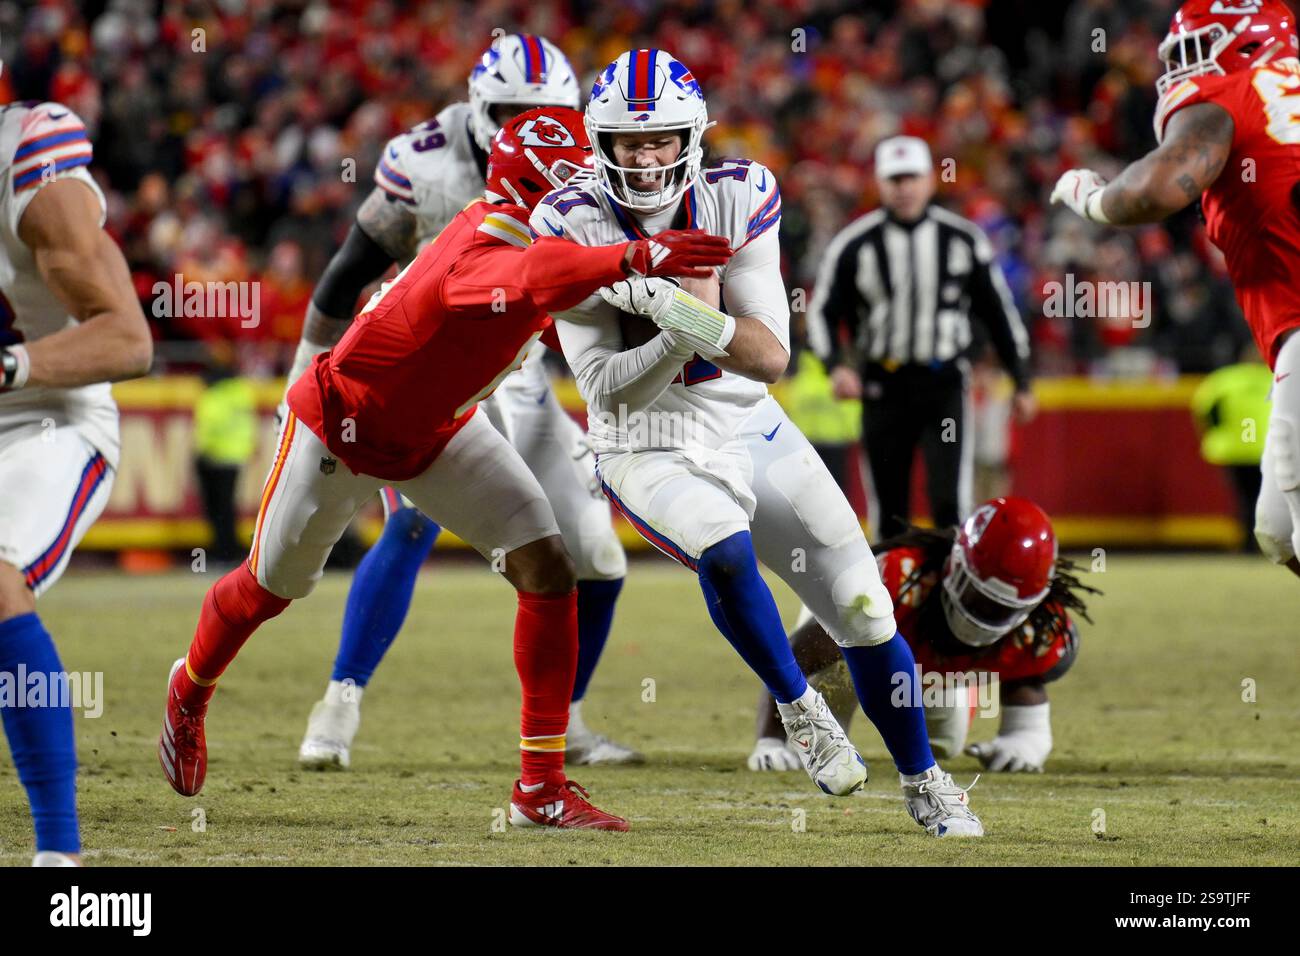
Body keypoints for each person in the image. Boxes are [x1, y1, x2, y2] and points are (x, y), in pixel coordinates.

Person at [157, 108, 731, 831]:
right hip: (341, 427)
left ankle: (540, 789)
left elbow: (566, 289)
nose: (593, 190)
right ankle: (190, 687)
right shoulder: (488, 249)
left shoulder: (537, 235)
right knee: (268, 589)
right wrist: (635, 259)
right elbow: (533, 275)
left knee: (549, 570)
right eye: (575, 179)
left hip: (438, 433)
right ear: (534, 189)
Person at [531, 49, 984, 836]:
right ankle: (800, 707)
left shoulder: (736, 195)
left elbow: (770, 355)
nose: (646, 159)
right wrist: (683, 328)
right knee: (725, 545)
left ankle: (926, 779)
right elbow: (606, 387)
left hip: (747, 421)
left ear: (691, 138)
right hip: (644, 441)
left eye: (662, 140)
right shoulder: (568, 221)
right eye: (630, 144)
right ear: (599, 143)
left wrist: (677, 311)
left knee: (863, 606)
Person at [286, 34, 638, 771]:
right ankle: (337, 706)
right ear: (481, 109)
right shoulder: (427, 161)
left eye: (544, 114)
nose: (527, 128)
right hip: (426, 374)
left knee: (599, 556)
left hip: (520, 370)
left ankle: (564, 721)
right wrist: (302, 376)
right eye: (512, 112)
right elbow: (345, 273)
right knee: (413, 524)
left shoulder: (593, 171)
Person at [1051, 0, 1300, 579]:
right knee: (1277, 529)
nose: (1180, 69)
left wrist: (1093, 198)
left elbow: (1153, 192)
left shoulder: (1239, 92)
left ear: (1245, 44)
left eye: (1196, 48)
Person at [0, 97, 154, 865]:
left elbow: (128, 338)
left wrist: (11, 365)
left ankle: (58, 855)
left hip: (45, 412)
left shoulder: (32, 170)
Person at [747, 498, 1094, 775]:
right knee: (829, 711)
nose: (986, 617)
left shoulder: (1035, 626)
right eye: (979, 599)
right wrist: (771, 739)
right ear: (956, 568)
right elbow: (795, 655)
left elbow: (1024, 678)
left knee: (945, 743)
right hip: (853, 643)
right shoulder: (896, 584)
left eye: (1002, 609)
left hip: (934, 670)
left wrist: (1025, 738)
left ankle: (946, 692)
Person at [807, 135, 1035, 540]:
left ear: (930, 180)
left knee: (951, 502)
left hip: (943, 382)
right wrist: (836, 367)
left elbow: (998, 312)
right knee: (889, 508)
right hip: (883, 385)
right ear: (880, 183)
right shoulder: (855, 245)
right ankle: (892, 600)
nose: (904, 188)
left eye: (912, 177)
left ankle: (947, 599)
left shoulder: (962, 240)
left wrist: (1021, 379)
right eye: (895, 179)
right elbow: (822, 312)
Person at [1191, 360, 1273, 552]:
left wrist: (1215, 432)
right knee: (1259, 498)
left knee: (1244, 498)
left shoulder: (1223, 379)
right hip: (1262, 449)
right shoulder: (1272, 377)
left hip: (1233, 448)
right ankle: (1258, 542)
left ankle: (1247, 542)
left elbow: (1203, 408)